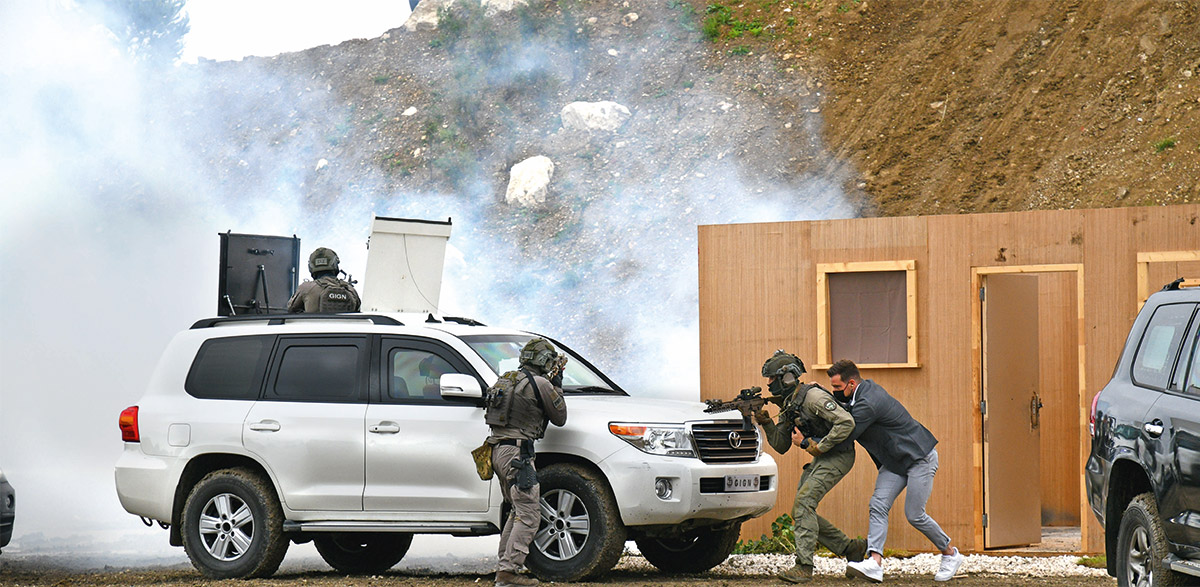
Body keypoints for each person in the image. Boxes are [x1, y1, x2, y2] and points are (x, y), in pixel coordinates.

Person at [828, 359, 964, 583]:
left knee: (915, 514)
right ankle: (875, 563)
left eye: (836, 388)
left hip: (919, 458)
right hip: (894, 462)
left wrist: (808, 442)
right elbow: (842, 410)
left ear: (851, 384)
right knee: (878, 505)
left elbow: (845, 433)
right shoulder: (859, 394)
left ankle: (950, 554)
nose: (834, 392)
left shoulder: (868, 403)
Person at [752, 350, 867, 583]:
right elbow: (782, 445)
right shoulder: (789, 403)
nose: (768, 384)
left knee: (805, 503)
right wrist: (766, 422)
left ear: (787, 378)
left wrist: (816, 446)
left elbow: (846, 422)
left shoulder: (813, 397)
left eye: (772, 378)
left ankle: (804, 566)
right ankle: (850, 548)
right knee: (800, 511)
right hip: (824, 456)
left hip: (839, 456)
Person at [485, 338, 568, 587]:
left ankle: (505, 568)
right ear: (542, 361)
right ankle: (508, 573)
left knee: (517, 511)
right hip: (518, 455)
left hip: (498, 451)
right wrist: (557, 385)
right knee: (530, 514)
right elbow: (560, 416)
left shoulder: (508, 379)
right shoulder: (540, 383)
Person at [286, 247, 361, 313]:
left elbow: (291, 309)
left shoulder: (306, 288)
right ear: (335, 264)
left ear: (311, 267)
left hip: (313, 328)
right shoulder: (350, 289)